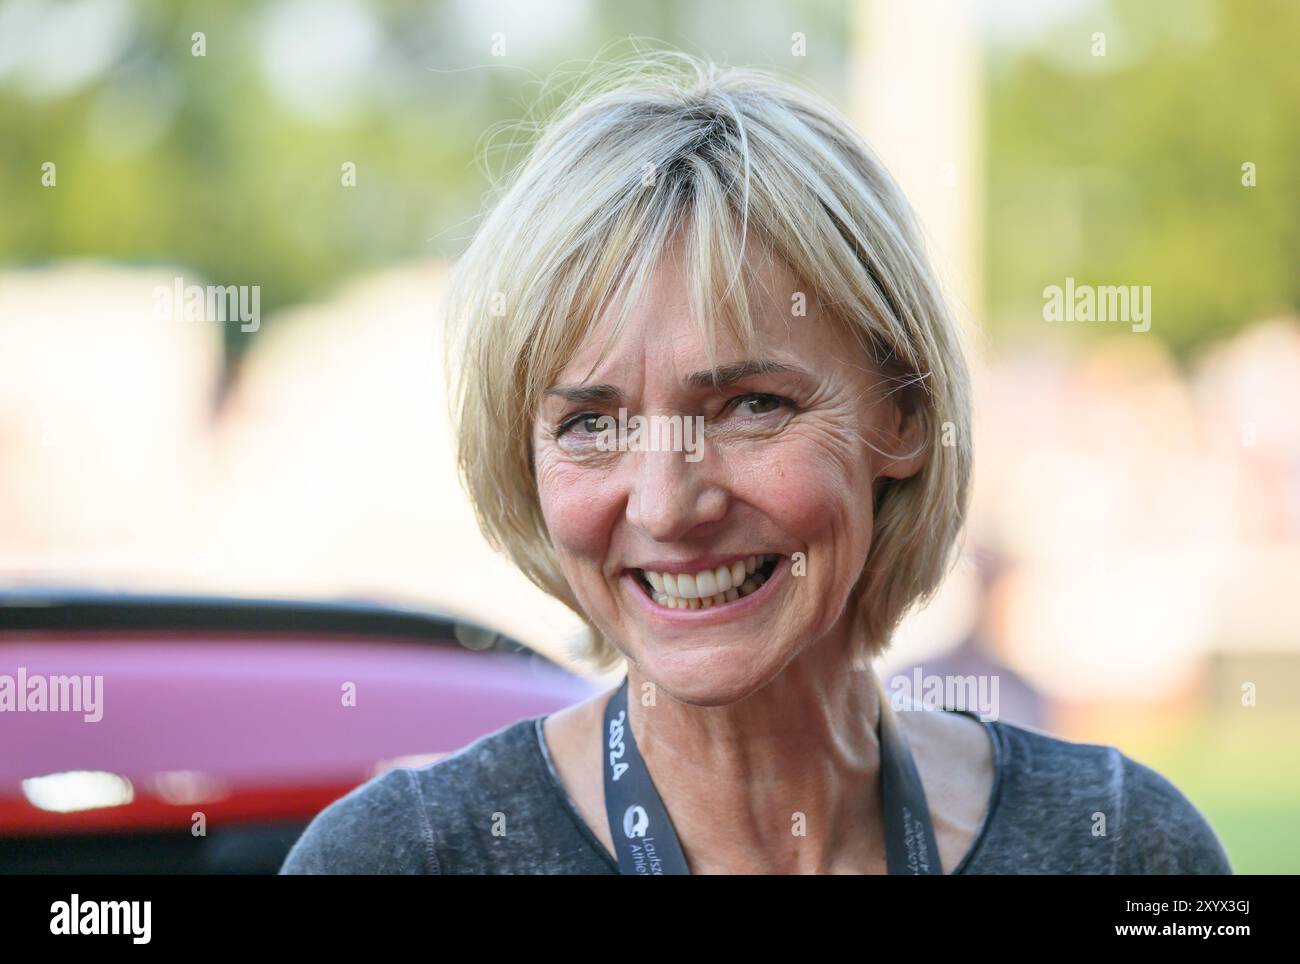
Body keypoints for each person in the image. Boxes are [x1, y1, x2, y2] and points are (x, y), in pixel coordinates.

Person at [281, 52, 1231, 875]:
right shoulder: (403, 858)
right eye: (592, 424)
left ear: (902, 417)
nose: (667, 504)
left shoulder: (1118, 848)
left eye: (750, 406)